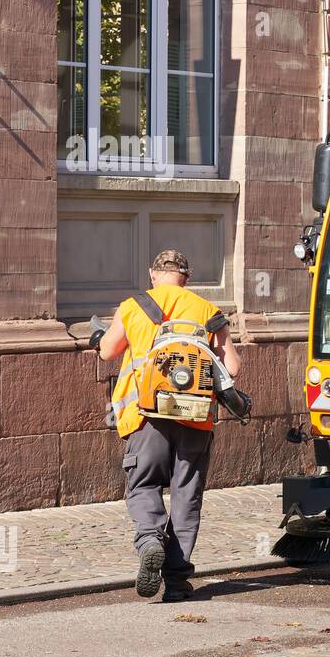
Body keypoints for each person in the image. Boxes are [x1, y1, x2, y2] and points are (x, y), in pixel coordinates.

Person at [91, 250, 240, 602]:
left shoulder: (133, 306)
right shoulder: (208, 311)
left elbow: (108, 352)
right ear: (186, 278)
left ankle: (150, 542)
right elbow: (232, 368)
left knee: (143, 485)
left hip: (146, 417)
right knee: (186, 496)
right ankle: (176, 581)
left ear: (154, 275)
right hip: (194, 417)